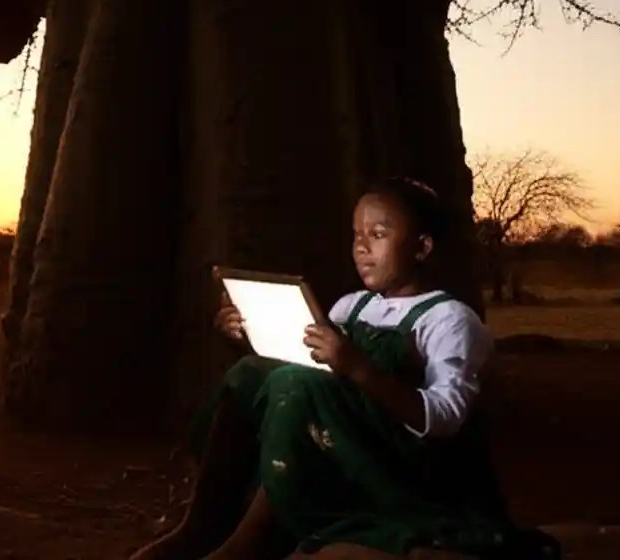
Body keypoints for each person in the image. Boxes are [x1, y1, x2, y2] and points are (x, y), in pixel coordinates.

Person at [130, 177, 560, 560]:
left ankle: (254, 540)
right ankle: (204, 523)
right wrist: (247, 337)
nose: (361, 247)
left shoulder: (448, 319)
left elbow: (444, 419)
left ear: (422, 247)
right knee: (250, 373)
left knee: (296, 383)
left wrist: (354, 365)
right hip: (335, 442)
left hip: (400, 464)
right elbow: (292, 379)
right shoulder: (350, 306)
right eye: (356, 235)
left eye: (378, 234)